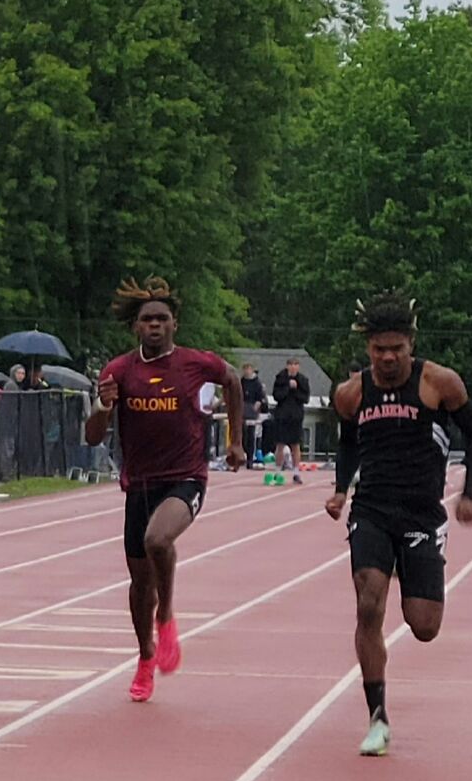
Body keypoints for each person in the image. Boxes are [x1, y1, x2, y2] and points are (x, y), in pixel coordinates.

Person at [326, 293, 472, 757]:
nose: (389, 357)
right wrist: (341, 488)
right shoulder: (352, 393)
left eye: (397, 348)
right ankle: (377, 716)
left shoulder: (439, 383)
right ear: (369, 348)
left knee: (424, 625)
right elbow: (349, 443)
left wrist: (470, 492)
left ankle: (411, 565)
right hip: (371, 509)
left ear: (411, 344)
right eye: (380, 349)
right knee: (368, 600)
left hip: (421, 512)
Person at [84, 276, 243, 703]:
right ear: (136, 328)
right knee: (139, 585)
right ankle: (144, 657)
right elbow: (93, 438)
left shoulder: (196, 363)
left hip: (185, 477)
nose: (154, 326)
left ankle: (167, 615)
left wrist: (235, 441)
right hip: (140, 484)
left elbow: (233, 381)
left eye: (162, 319)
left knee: (159, 539)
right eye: (146, 320)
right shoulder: (118, 371)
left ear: (175, 324)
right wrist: (103, 404)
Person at [270, 358, 311, 486]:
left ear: (298, 367)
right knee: (280, 445)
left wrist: (296, 389)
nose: (293, 367)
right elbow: (277, 396)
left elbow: (305, 399)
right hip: (282, 416)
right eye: (291, 365)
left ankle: (296, 472)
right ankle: (277, 471)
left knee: (295, 445)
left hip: (296, 416)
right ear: (287, 366)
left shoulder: (303, 380)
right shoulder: (280, 378)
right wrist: (288, 387)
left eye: (295, 365)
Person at [238, 362, 267, 464]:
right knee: (242, 433)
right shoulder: (241, 381)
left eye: (248, 369)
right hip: (242, 407)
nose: (246, 371)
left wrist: (255, 407)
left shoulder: (257, 383)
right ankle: (242, 454)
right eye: (245, 369)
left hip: (252, 408)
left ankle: (250, 457)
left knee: (251, 434)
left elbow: (260, 397)